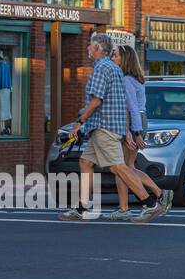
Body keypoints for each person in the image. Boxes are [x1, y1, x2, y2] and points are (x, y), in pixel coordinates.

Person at [59, 32, 164, 223]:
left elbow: (96, 100)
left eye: (90, 46)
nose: (88, 49)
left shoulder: (101, 68)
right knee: (85, 162)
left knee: (119, 167)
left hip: (103, 126)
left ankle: (150, 203)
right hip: (108, 125)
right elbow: (118, 102)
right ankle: (82, 207)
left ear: (98, 48)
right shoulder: (114, 69)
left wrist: (79, 122)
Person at [107, 44, 171, 220]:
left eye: (116, 56)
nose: (113, 59)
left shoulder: (127, 80)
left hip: (133, 121)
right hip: (136, 121)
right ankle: (124, 208)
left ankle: (158, 194)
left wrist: (134, 131)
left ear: (124, 59)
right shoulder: (132, 78)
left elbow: (132, 109)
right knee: (125, 166)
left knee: (123, 167)